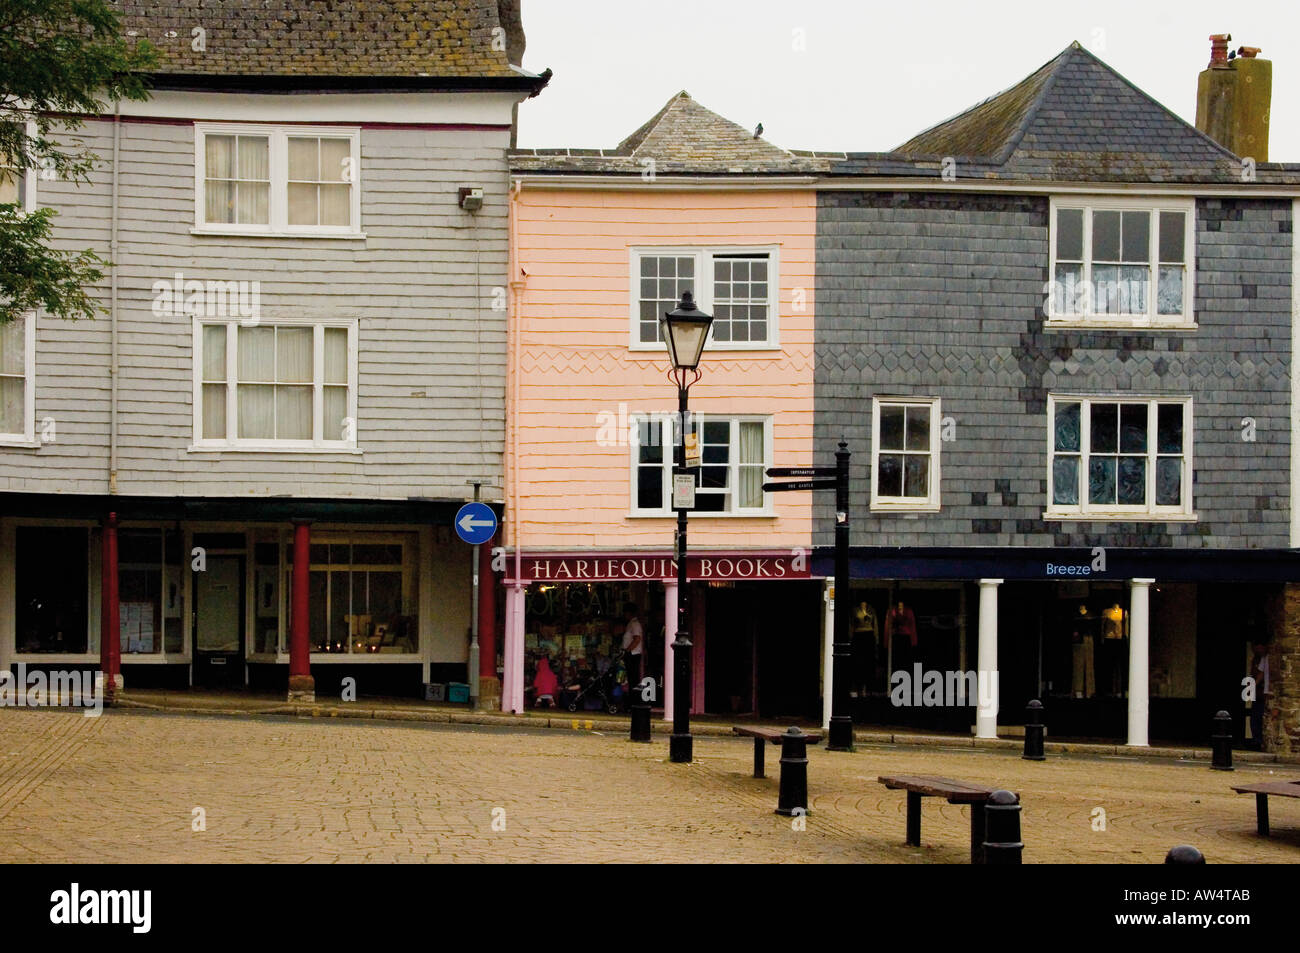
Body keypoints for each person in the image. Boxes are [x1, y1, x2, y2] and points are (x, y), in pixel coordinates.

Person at [620, 605, 644, 711]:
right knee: (630, 678)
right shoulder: (630, 624)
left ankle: (634, 703)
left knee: (633, 679)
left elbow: (637, 639)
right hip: (630, 654)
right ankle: (631, 702)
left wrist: (628, 651)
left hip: (633, 654)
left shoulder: (635, 624)